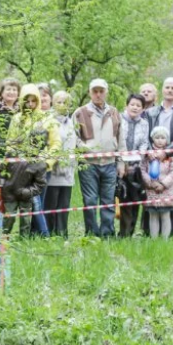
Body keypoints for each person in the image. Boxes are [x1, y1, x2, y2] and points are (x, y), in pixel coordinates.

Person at [2, 83, 58, 237]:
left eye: (34, 101)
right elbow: (10, 143)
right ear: (22, 101)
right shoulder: (17, 119)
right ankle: (32, 235)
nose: (31, 104)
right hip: (21, 170)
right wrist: (16, 163)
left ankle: (40, 234)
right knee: (29, 202)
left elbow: (55, 144)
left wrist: (45, 163)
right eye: (28, 101)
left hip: (41, 169)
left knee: (37, 203)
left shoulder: (47, 118)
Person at [73, 78, 123, 237]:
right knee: (90, 201)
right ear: (90, 93)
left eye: (101, 91)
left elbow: (121, 139)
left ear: (106, 93)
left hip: (110, 164)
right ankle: (92, 234)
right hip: (88, 164)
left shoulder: (114, 112)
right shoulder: (80, 112)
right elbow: (74, 138)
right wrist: (89, 150)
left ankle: (107, 233)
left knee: (108, 201)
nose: (98, 94)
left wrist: (121, 163)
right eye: (95, 91)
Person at [144, 77, 173, 233]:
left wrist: (166, 152)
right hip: (150, 161)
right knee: (151, 194)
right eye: (167, 87)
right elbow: (145, 134)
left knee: (172, 198)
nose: (170, 90)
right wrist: (151, 152)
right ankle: (149, 233)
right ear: (162, 90)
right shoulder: (150, 113)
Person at [44, 90, 77, 238]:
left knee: (64, 204)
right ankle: (50, 232)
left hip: (68, 170)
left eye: (65, 102)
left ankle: (63, 232)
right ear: (53, 103)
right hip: (54, 169)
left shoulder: (71, 122)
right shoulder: (48, 120)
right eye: (59, 102)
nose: (62, 105)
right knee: (51, 203)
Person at [117, 94, 150, 238]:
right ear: (127, 105)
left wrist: (138, 157)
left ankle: (130, 232)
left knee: (135, 200)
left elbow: (144, 143)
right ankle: (122, 232)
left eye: (138, 105)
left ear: (142, 109)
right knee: (123, 200)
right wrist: (122, 161)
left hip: (136, 167)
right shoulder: (118, 119)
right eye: (133, 104)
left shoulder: (144, 123)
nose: (135, 107)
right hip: (119, 165)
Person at [143, 126, 173, 239]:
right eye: (157, 137)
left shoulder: (171, 154)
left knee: (165, 215)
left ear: (167, 140)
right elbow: (142, 169)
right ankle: (154, 240)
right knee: (153, 215)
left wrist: (163, 184)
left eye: (163, 138)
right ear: (153, 139)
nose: (160, 140)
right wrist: (150, 183)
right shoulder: (148, 154)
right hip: (151, 189)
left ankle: (165, 240)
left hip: (166, 190)